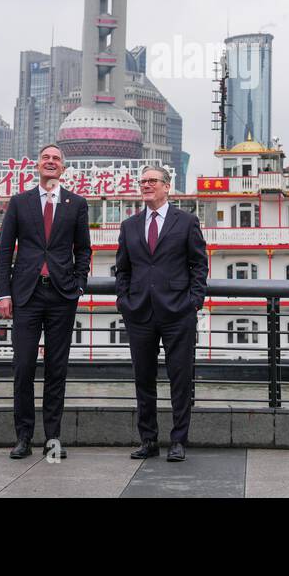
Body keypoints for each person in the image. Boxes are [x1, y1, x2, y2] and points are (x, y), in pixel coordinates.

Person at [0, 144, 91, 458]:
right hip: (26, 295)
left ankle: (53, 438)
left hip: (62, 295)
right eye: (46, 158)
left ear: (63, 168)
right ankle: (23, 437)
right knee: (23, 367)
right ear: (38, 165)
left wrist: (79, 285)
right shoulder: (20, 202)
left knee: (56, 368)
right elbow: (5, 250)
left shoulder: (76, 204)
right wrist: (4, 292)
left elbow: (83, 250)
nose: (51, 162)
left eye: (56, 159)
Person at [114, 163, 208, 462]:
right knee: (144, 380)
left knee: (180, 379)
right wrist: (123, 302)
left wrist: (193, 301)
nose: (146, 185)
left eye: (152, 180)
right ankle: (149, 440)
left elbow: (198, 264)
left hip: (178, 312)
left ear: (167, 186)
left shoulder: (186, 221)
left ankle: (178, 441)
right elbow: (123, 269)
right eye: (142, 181)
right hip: (139, 312)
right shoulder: (129, 225)